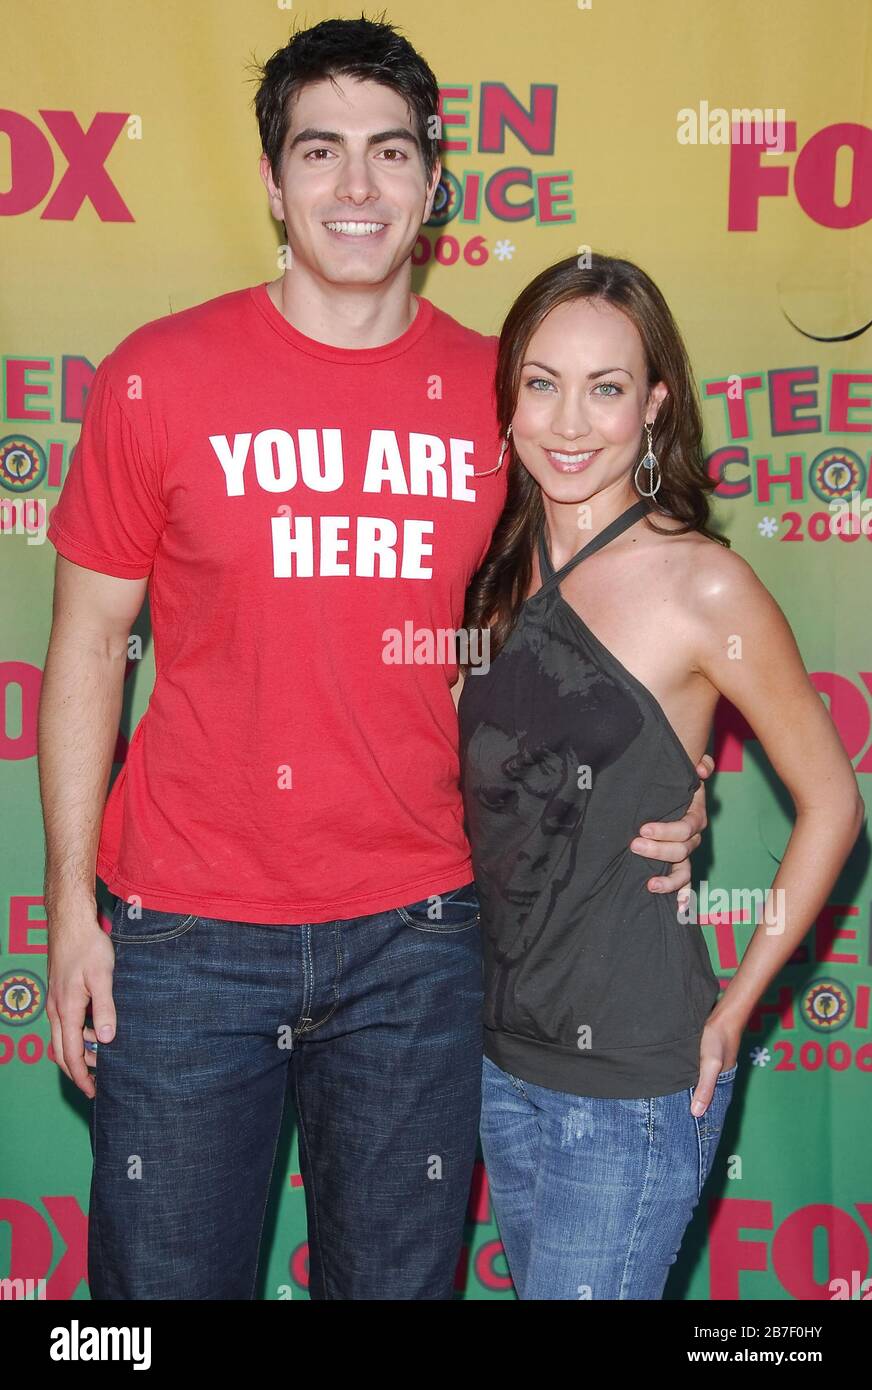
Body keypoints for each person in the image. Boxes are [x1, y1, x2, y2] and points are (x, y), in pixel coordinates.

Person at [37, 20, 709, 1301]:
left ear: (433, 179)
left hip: (424, 929)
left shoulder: (508, 395)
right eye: (321, 151)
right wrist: (73, 906)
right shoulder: (155, 379)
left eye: (389, 152)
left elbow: (619, 613)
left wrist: (670, 779)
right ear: (272, 182)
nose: (356, 188)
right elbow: (85, 649)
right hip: (184, 929)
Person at [455, 251, 865, 1300]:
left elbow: (831, 803)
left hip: (632, 1078)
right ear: (507, 396)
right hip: (502, 1060)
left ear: (653, 406)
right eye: (541, 381)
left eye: (605, 387)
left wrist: (732, 1012)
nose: (568, 420)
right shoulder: (494, 568)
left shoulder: (703, 586)